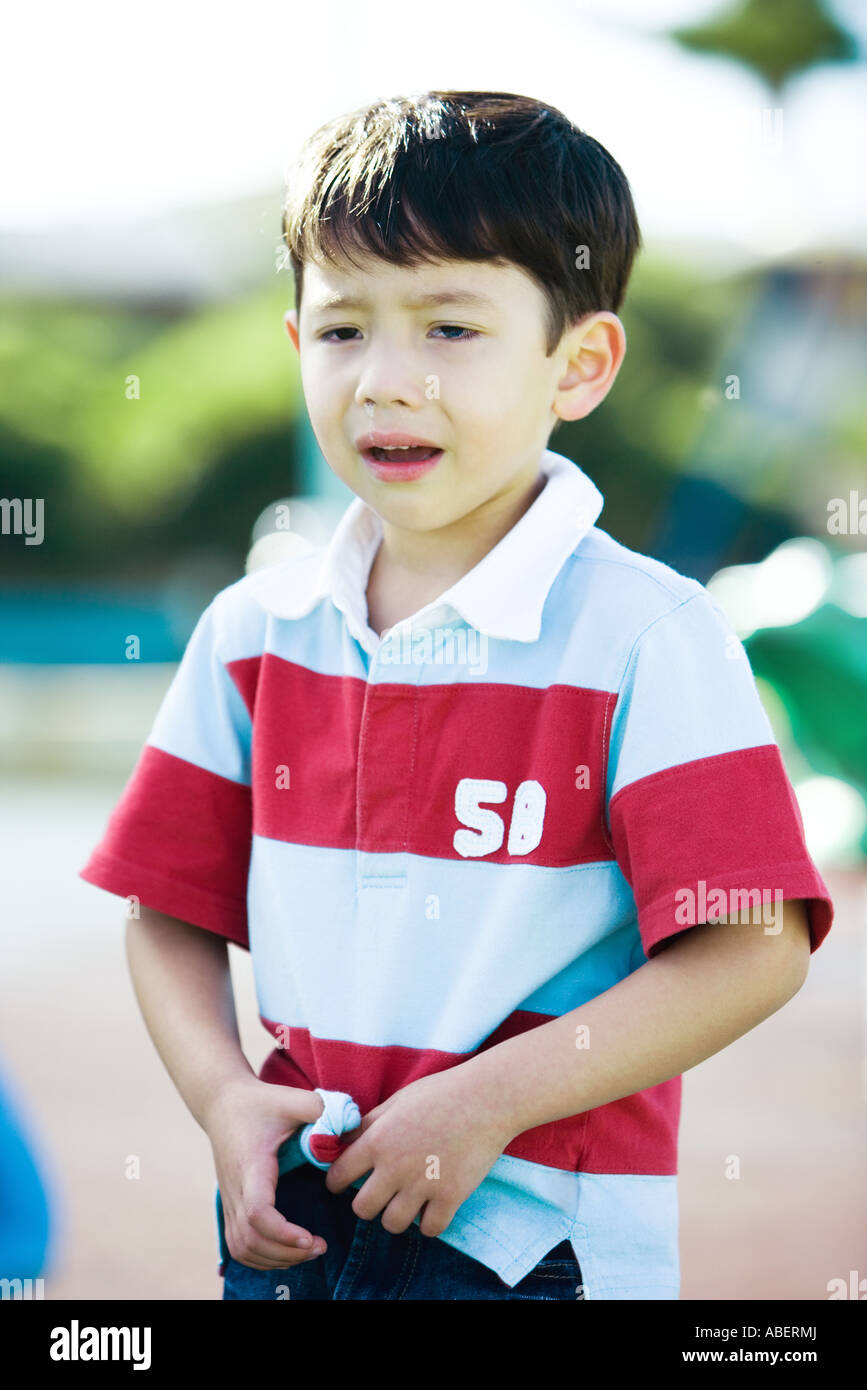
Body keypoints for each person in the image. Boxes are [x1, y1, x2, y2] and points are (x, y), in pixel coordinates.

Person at [79, 90, 834, 1301]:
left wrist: (492, 1100)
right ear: (296, 349)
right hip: (297, 1219)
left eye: (448, 328)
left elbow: (754, 942)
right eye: (343, 332)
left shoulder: (646, 636)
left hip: (535, 1247)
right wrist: (222, 1094)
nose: (386, 379)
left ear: (577, 365)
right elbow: (165, 909)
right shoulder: (253, 632)